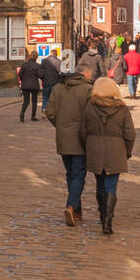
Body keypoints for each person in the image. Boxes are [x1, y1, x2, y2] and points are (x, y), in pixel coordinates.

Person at [83, 77, 136, 235]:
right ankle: (107, 221)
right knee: (111, 186)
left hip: (95, 150)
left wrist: (88, 146)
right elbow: (130, 134)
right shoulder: (122, 109)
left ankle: (102, 214)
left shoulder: (89, 107)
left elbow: (82, 130)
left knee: (100, 184)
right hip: (115, 151)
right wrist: (126, 151)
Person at [44, 66, 94, 226]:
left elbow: (50, 112)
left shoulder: (58, 88)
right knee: (78, 175)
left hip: (63, 137)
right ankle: (71, 206)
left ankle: (77, 210)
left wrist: (61, 126)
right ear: (85, 74)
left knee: (71, 174)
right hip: (81, 138)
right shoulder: (88, 89)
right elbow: (92, 115)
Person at [17, 50, 42, 122]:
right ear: (36, 57)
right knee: (34, 101)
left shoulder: (24, 64)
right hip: (34, 86)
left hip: (25, 86)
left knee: (26, 101)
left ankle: (22, 114)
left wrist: (24, 80)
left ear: (30, 56)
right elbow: (40, 75)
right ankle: (33, 116)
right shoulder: (37, 66)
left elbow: (20, 74)